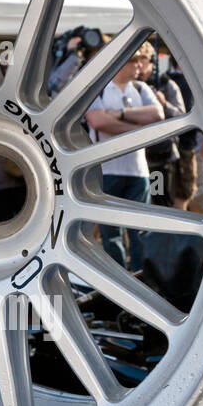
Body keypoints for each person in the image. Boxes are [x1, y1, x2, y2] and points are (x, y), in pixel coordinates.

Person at [85, 53, 165, 270]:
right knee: (110, 234)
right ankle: (118, 277)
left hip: (137, 171)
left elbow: (158, 114)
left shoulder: (140, 88)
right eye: (133, 60)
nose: (139, 65)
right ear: (119, 63)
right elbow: (97, 120)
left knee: (140, 230)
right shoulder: (99, 87)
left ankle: (141, 277)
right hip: (106, 170)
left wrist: (120, 114)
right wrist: (138, 131)